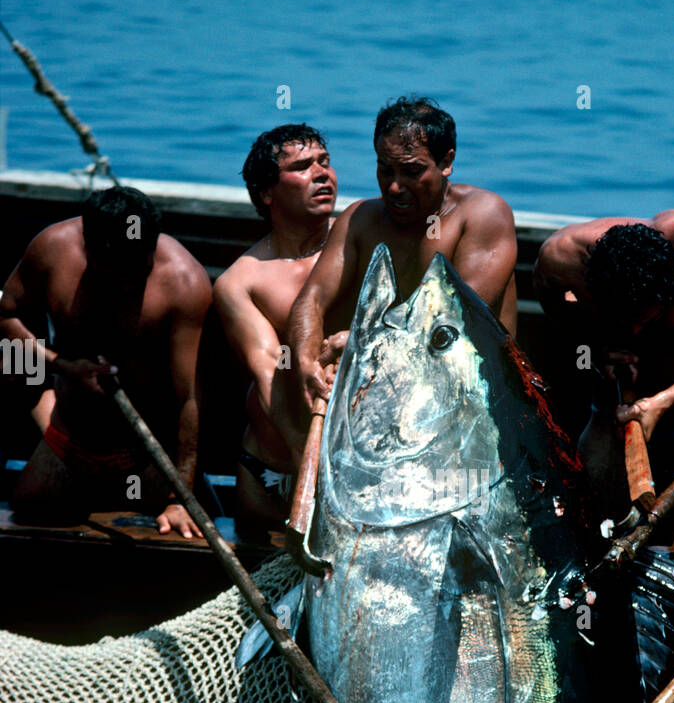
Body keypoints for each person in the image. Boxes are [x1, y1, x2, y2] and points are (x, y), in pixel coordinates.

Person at [1, 186, 211, 536]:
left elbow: (189, 399)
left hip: (142, 453)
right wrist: (59, 365)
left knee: (167, 533)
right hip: (68, 435)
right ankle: (39, 417)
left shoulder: (184, 284)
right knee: (8, 358)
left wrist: (179, 497)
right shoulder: (52, 249)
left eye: (139, 272)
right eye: (118, 273)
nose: (129, 285)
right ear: (89, 249)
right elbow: (7, 315)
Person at [286, 97, 518, 413]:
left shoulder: (483, 215)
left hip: (469, 396)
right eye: (385, 170)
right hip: (384, 392)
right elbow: (311, 299)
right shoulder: (359, 219)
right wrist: (305, 361)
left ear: (447, 162)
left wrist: (362, 343)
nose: (395, 187)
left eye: (411, 171)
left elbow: (455, 323)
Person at [534, 211, 674, 547]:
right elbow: (564, 327)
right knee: (592, 520)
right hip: (617, 410)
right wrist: (594, 353)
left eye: (644, 320)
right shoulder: (560, 261)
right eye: (623, 320)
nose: (635, 331)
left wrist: (664, 401)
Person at [213, 124, 338, 537]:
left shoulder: (360, 242)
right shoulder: (241, 282)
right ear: (267, 193)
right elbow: (268, 370)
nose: (322, 173)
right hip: (271, 469)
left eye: (325, 162)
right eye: (302, 167)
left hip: (352, 466)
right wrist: (310, 464)